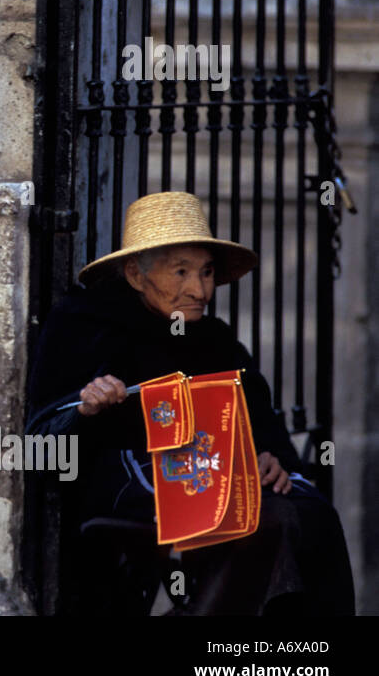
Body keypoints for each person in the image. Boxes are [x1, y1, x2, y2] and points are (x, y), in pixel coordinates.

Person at [27, 191, 354, 614]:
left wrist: (271, 457)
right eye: (180, 272)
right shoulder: (84, 324)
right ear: (134, 274)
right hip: (126, 487)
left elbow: (259, 420)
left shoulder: (215, 340)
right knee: (264, 523)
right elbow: (41, 441)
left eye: (205, 272)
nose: (199, 290)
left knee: (310, 513)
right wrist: (86, 409)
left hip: (213, 484)